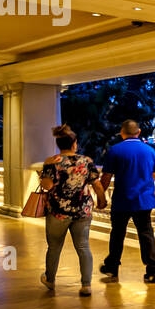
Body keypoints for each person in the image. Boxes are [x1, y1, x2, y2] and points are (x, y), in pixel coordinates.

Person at [38, 124, 106, 296]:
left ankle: (50, 280)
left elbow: (46, 186)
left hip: (57, 211)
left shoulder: (52, 162)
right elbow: (96, 184)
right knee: (83, 246)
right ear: (74, 143)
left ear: (59, 144)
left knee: (54, 247)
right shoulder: (87, 161)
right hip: (82, 211)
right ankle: (86, 285)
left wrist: (45, 169)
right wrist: (102, 200)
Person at [98, 120, 155, 285]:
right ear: (138, 132)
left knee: (117, 233)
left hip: (122, 199)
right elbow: (154, 175)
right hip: (144, 200)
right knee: (146, 234)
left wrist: (100, 197)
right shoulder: (150, 151)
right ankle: (152, 270)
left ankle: (112, 267)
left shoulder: (115, 150)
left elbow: (106, 178)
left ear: (122, 132)